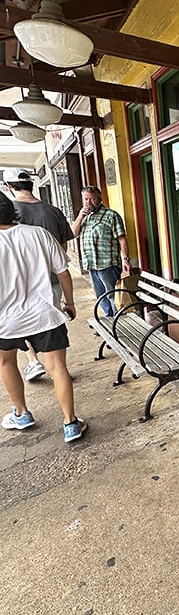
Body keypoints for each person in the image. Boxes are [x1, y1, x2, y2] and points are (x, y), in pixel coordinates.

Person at [0, 190, 86, 443]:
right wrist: (68, 303)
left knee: (6, 363)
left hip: (6, 320)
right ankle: (70, 423)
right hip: (45, 315)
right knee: (58, 368)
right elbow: (63, 272)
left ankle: (22, 413)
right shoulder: (38, 234)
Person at [3, 167, 74, 382]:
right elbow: (63, 246)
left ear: (9, 186)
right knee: (48, 327)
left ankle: (33, 361)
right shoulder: (53, 211)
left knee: (21, 324)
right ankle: (55, 368)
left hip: (13, 285)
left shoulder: (9, 212)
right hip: (51, 278)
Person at [71, 185, 131, 317]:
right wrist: (80, 217)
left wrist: (125, 259)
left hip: (107, 264)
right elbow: (72, 233)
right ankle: (108, 319)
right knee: (101, 296)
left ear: (99, 199)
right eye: (86, 199)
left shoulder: (111, 215)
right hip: (91, 265)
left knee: (112, 295)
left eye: (91, 199)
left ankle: (118, 321)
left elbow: (122, 238)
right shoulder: (85, 217)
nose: (88, 203)